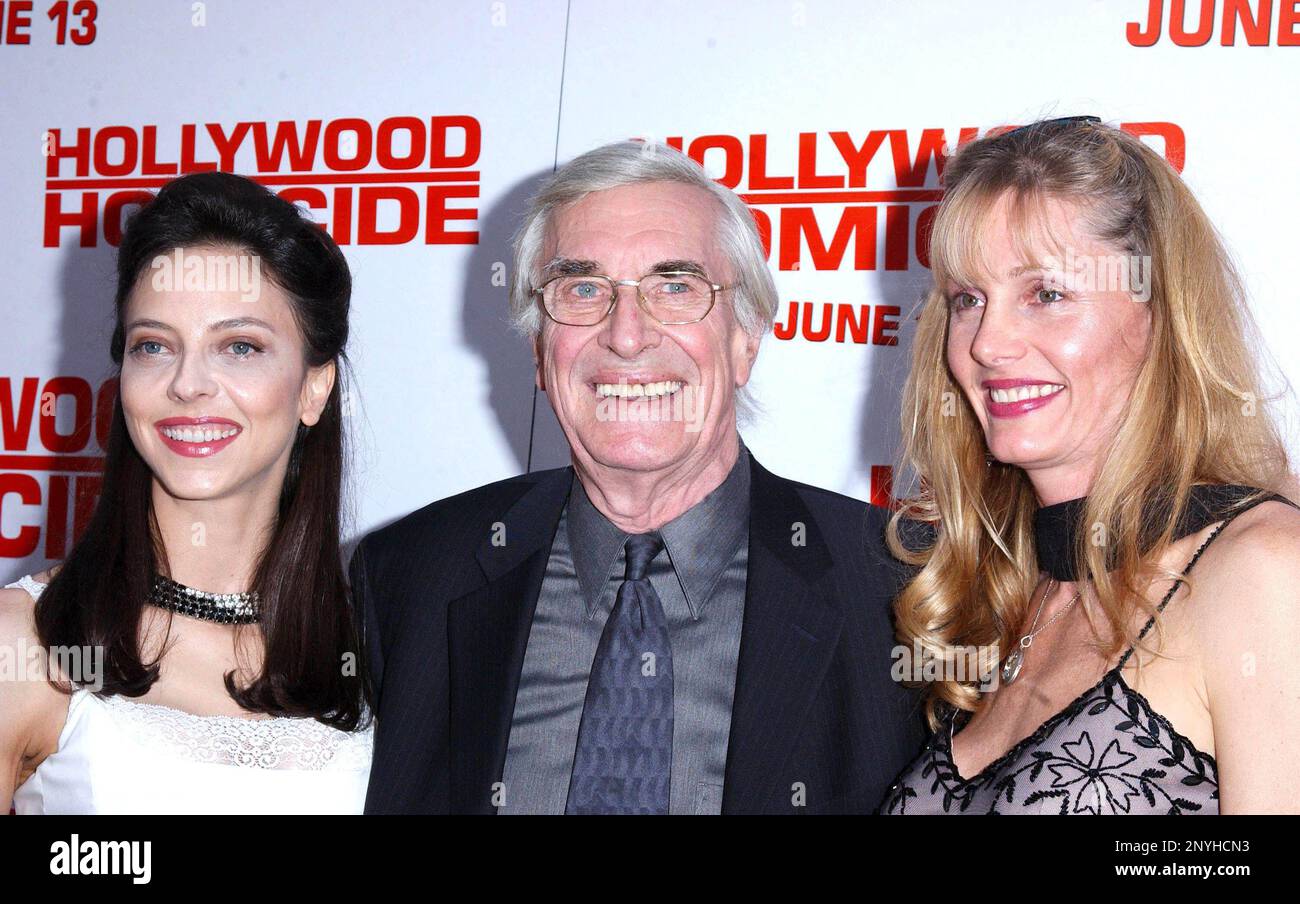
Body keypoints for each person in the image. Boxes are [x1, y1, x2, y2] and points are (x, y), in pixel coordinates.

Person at [352, 140, 926, 814]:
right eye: (583, 288)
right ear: (539, 350)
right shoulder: (411, 574)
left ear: (747, 340)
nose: (627, 335)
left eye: (676, 287)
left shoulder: (905, 589)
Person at [879, 116, 1300, 815]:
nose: (988, 343)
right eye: (968, 300)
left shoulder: (1262, 569)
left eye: (1046, 294)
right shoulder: (1015, 588)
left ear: (1160, 314)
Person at [0, 172, 373, 814]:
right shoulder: (27, 642)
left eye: (239, 346)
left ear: (315, 388)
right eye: (154, 345)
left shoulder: (374, 646)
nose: (188, 383)